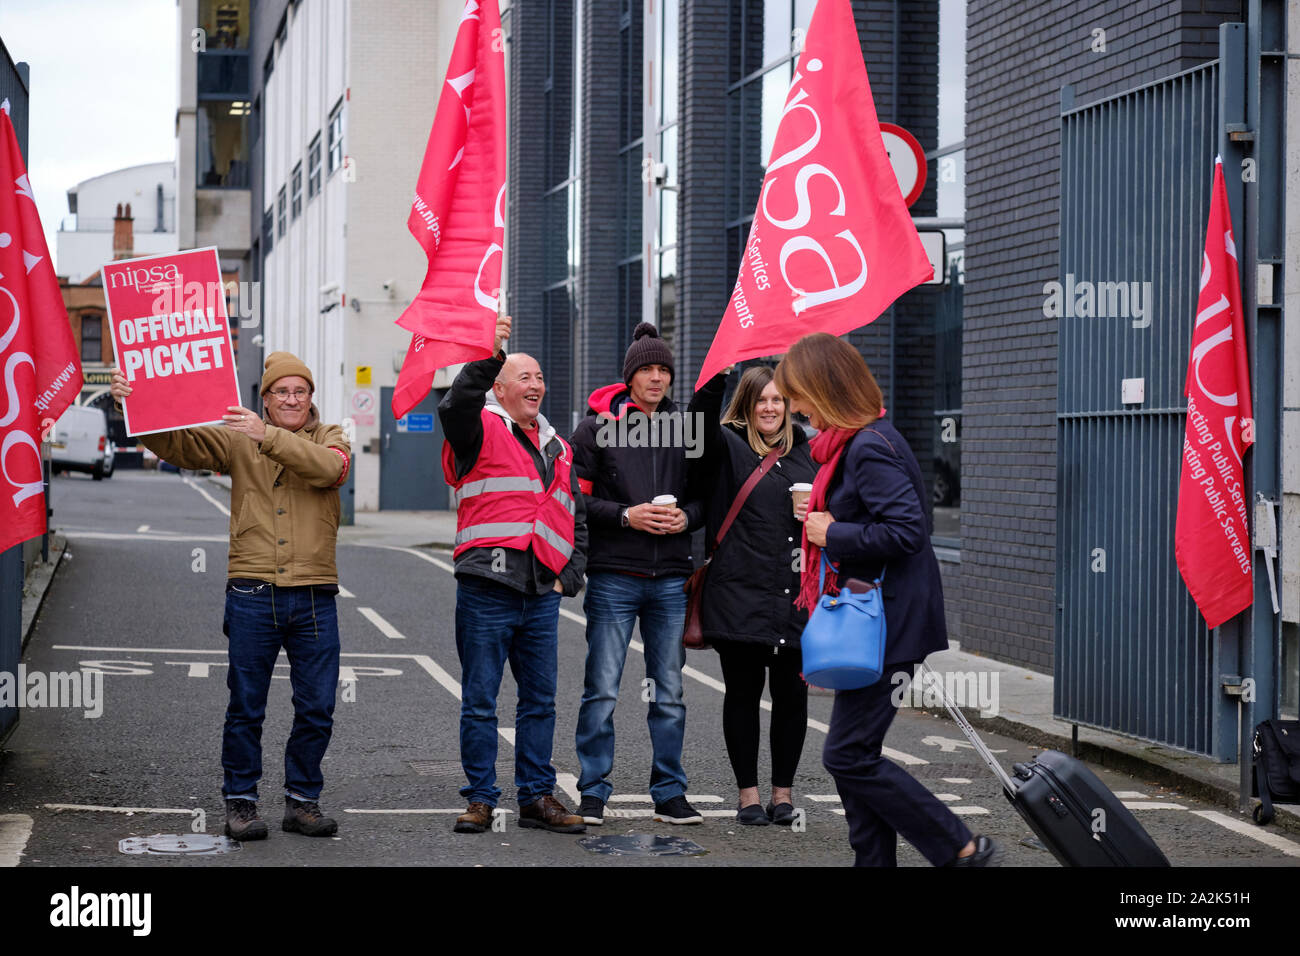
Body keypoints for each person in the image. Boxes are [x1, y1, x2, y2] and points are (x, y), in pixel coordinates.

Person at [773, 333, 997, 867]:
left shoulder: (870, 446)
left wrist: (834, 533)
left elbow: (907, 532)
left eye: (797, 396)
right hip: (872, 618)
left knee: (847, 754)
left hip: (887, 621)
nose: (794, 410)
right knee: (856, 755)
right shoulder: (851, 444)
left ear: (822, 389)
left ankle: (961, 847)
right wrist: (829, 524)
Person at [110, 352, 350, 841]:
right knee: (246, 706)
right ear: (264, 399)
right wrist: (133, 409)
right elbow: (181, 445)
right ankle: (240, 803)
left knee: (318, 706)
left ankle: (302, 802)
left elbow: (329, 470)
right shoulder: (240, 435)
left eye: (299, 391)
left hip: (313, 595)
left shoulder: (329, 437)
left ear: (310, 399)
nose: (291, 399)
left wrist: (269, 437)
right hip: (252, 589)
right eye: (281, 392)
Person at [437, 315, 589, 835]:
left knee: (540, 700)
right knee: (481, 699)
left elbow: (576, 515)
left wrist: (573, 573)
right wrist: (492, 350)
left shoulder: (559, 446)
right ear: (499, 388)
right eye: (525, 378)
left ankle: (536, 798)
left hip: (541, 589)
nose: (537, 386)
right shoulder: (476, 426)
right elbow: (455, 401)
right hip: (488, 586)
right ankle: (480, 799)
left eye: (541, 379)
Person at [570, 322, 704, 826]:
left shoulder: (688, 430)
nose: (656, 378)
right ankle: (593, 791)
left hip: (671, 578)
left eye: (663, 370)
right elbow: (575, 498)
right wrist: (626, 515)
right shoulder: (595, 428)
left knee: (668, 691)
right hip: (614, 576)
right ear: (630, 377)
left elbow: (705, 499)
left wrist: (686, 518)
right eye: (646, 369)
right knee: (602, 688)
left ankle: (669, 792)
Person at [688, 365, 817, 825]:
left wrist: (818, 510)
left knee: (791, 698)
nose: (770, 407)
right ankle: (748, 798)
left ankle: (783, 796)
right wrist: (714, 376)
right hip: (739, 594)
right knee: (742, 695)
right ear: (747, 404)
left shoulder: (806, 449)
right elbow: (698, 423)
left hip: (795, 598)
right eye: (761, 399)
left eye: (778, 400)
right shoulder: (726, 446)